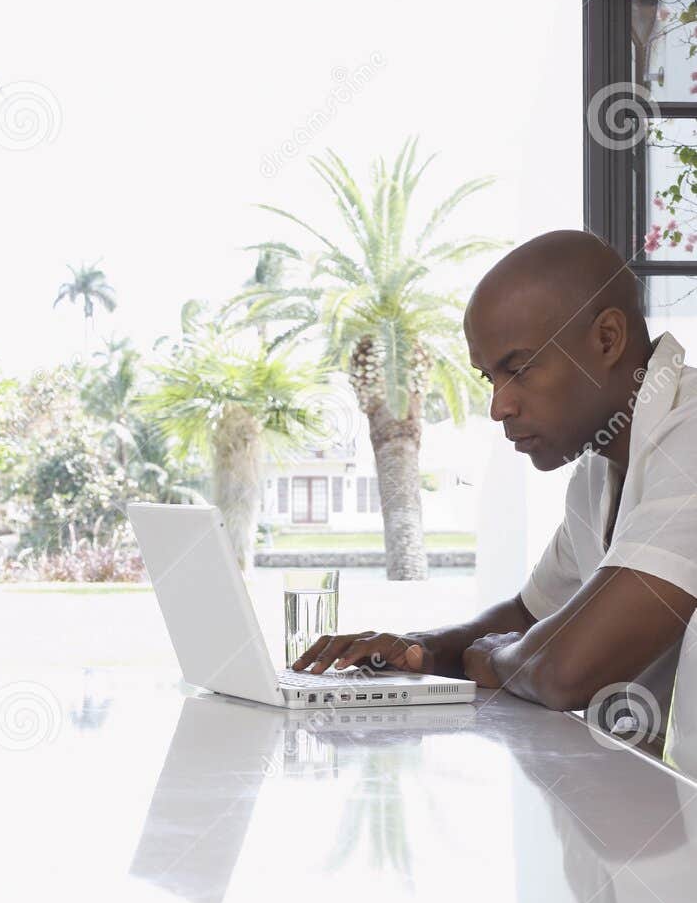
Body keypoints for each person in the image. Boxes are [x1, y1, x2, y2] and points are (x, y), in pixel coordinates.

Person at [292, 229, 697, 734]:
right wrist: (420, 648)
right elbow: (531, 615)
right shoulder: (597, 469)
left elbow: (566, 671)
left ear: (607, 339)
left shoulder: (691, 438)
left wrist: (493, 662)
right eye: (490, 378)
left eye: (520, 369)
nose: (499, 406)